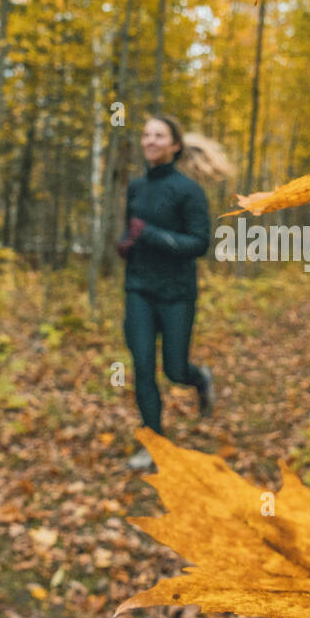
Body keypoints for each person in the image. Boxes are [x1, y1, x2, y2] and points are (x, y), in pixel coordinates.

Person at [116, 114, 218, 471]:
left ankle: (198, 377)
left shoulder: (188, 190)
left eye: (158, 135)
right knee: (143, 366)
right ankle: (153, 443)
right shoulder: (136, 187)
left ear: (175, 145)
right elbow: (133, 229)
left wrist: (152, 236)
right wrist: (127, 243)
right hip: (139, 289)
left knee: (174, 370)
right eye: (146, 135)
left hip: (176, 293)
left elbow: (199, 243)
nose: (150, 141)